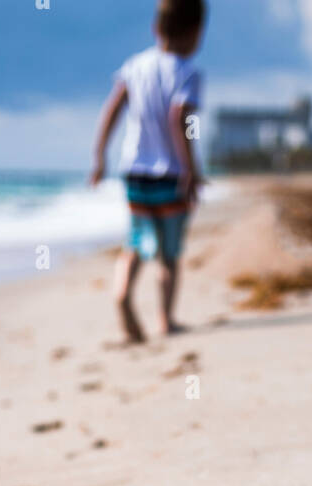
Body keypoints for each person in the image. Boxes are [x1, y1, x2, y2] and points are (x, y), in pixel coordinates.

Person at [90, 0, 207, 341]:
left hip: (134, 171)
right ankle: (165, 320)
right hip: (170, 174)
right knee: (169, 254)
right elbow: (181, 120)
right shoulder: (188, 72)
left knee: (137, 241)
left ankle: (122, 294)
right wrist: (191, 168)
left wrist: (100, 155)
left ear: (156, 29)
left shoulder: (135, 66)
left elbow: (111, 109)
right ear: (196, 33)